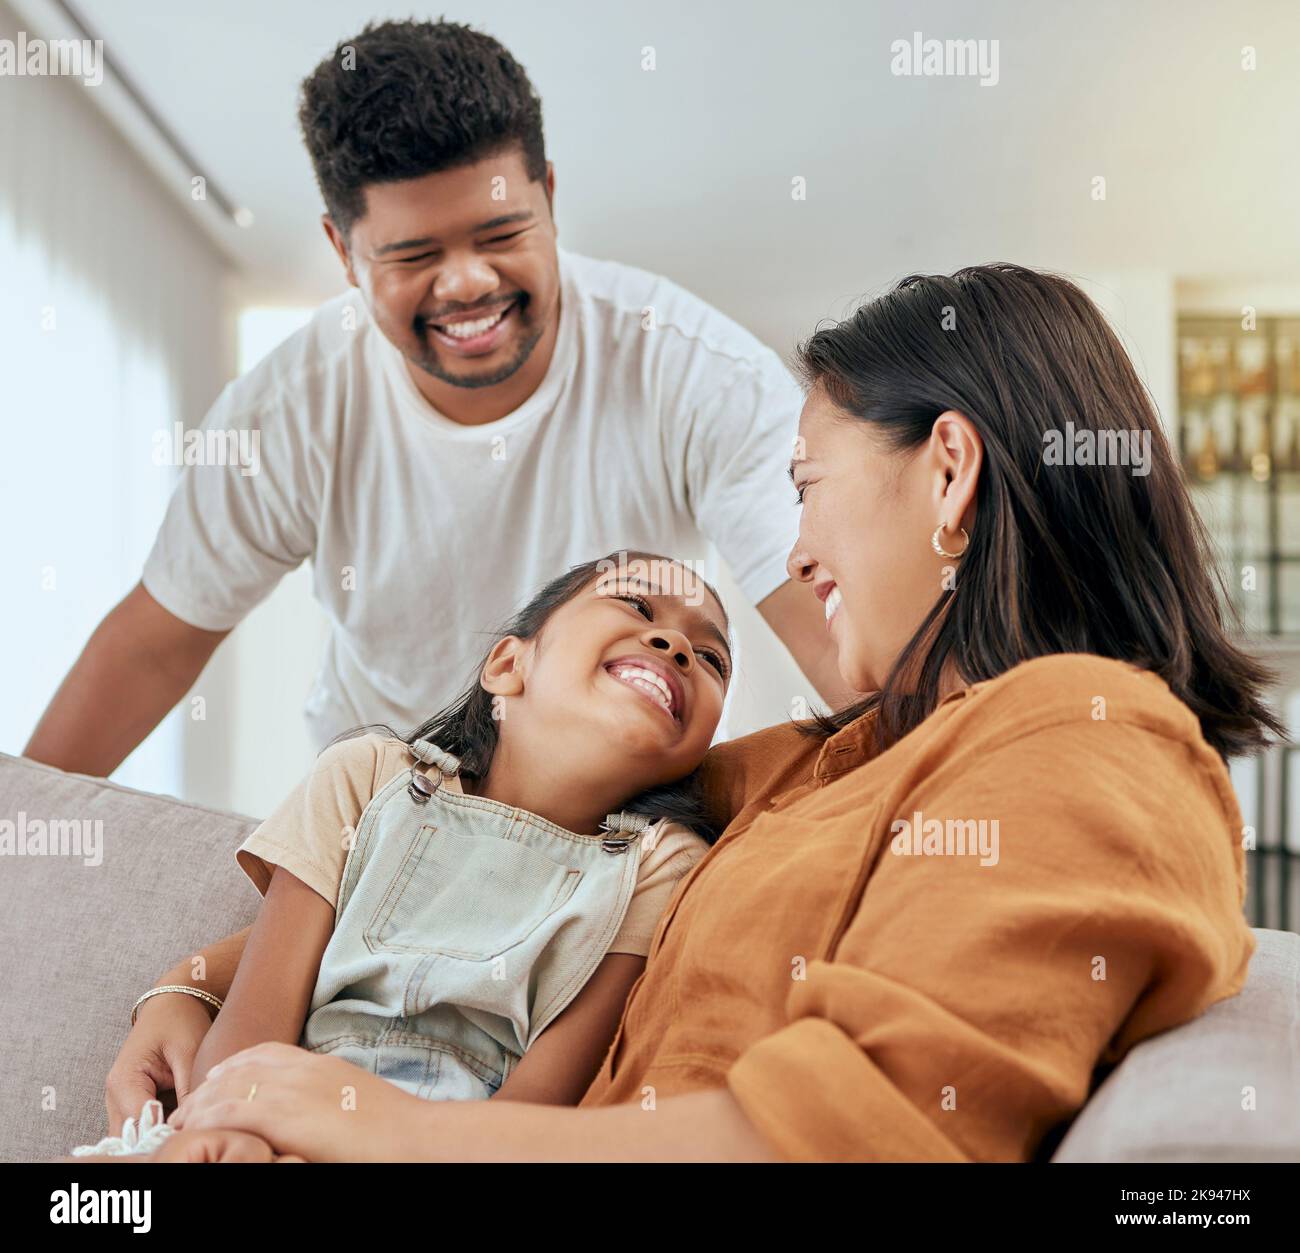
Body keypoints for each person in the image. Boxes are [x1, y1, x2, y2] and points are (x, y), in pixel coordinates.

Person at [114, 264, 1279, 1162]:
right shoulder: (841, 758)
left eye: (807, 488)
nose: (799, 550)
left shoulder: (1083, 743)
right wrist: (199, 983)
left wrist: (391, 1125)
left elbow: (863, 1135)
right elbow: (502, 840)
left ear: (948, 473)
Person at [23, 18, 845, 781]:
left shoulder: (695, 369)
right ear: (343, 253)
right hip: (381, 806)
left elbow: (831, 622)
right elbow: (154, 645)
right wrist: (22, 831)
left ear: (549, 198)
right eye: (414, 255)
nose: (468, 283)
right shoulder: (291, 407)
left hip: (612, 812)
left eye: (499, 235)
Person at [69, 551, 730, 1158]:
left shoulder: (661, 865)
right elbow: (254, 1021)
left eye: (711, 658)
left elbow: (543, 1106)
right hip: (268, 1110)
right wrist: (227, 1131)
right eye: (638, 608)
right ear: (507, 666)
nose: (676, 646)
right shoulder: (365, 777)